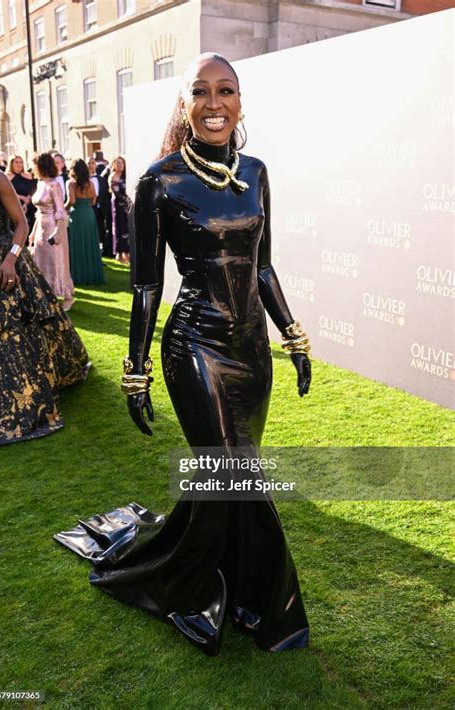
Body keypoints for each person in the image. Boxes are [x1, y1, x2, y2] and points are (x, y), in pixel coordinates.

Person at [55, 53, 312, 656]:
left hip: (251, 353)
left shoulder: (256, 172)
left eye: (226, 90)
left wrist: (292, 336)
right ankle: (215, 596)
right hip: (194, 346)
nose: (214, 102)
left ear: (240, 102)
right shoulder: (159, 180)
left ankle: (233, 585)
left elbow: (264, 265)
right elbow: (146, 285)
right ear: (186, 104)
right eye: (201, 91)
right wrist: (136, 369)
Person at [0, 119, 90, 446]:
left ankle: (22, 397)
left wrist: (12, 257)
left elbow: (20, 226)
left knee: (14, 331)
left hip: (3, 263)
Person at [29, 153, 75, 311]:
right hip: (40, 226)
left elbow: (60, 211)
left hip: (52, 227)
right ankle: (46, 295)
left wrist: (57, 232)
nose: (33, 168)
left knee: (56, 262)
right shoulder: (41, 183)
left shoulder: (54, 185)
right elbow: (38, 212)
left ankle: (67, 295)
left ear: (41, 166)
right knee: (41, 262)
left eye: (35, 165)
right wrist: (33, 232)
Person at [66, 159, 104, 285]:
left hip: (76, 214)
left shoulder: (70, 183)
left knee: (78, 244)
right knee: (90, 244)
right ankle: (92, 275)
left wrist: (63, 208)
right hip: (89, 213)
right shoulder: (90, 183)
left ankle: (79, 276)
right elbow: (94, 200)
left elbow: (71, 201)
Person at [109, 156, 130, 264]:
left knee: (127, 227)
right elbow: (116, 193)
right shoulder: (113, 176)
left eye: (122, 163)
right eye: (117, 163)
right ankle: (120, 252)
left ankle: (127, 252)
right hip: (117, 205)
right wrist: (124, 199)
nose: (120, 165)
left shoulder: (127, 175)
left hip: (127, 204)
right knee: (119, 227)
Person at [6, 155, 36, 231]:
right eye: (16, 162)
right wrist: (22, 198)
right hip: (14, 205)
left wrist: (27, 200)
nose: (19, 164)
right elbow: (7, 192)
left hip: (29, 205)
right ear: (11, 164)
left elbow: (33, 189)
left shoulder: (28, 175)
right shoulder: (6, 177)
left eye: (21, 162)